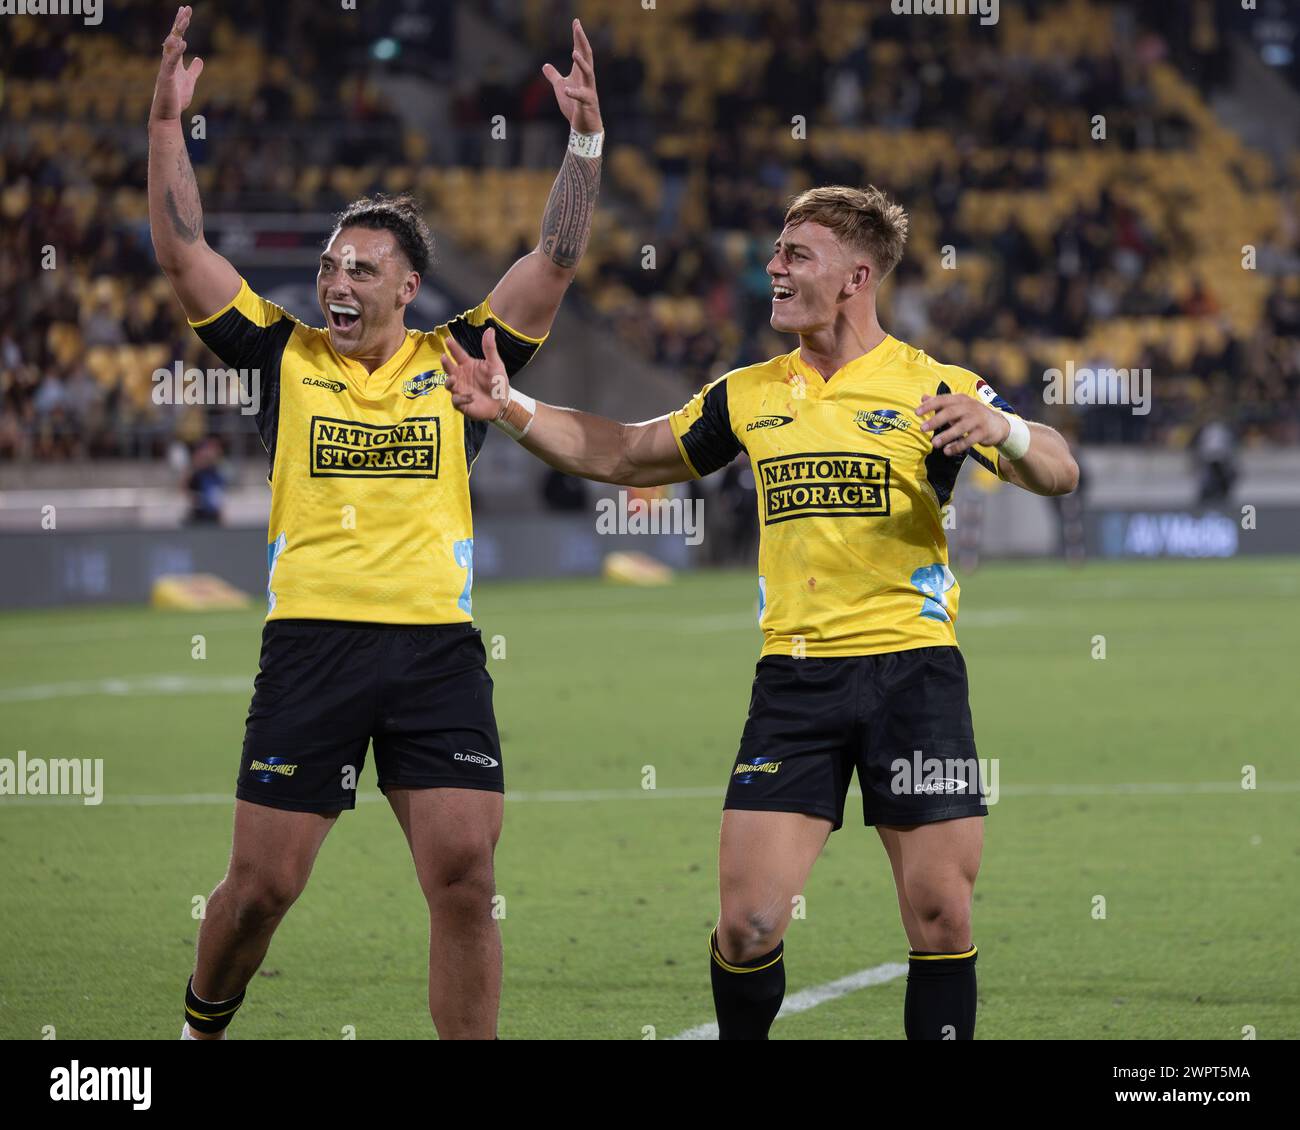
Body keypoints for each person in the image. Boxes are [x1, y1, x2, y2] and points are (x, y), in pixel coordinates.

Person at [443, 184, 1079, 1040]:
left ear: (856, 278)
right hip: (796, 683)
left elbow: (1062, 471)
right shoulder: (748, 393)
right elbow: (633, 454)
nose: (772, 268)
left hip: (916, 677)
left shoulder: (936, 387)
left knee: (940, 917)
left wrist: (1003, 430)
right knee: (747, 929)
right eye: (776, 253)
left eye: (794, 255)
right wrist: (511, 409)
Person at [149, 5, 603, 1039]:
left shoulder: (460, 357)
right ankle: (201, 1025)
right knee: (263, 886)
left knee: (464, 873)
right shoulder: (282, 352)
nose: (335, 281)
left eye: (360, 267)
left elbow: (556, 258)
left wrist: (584, 140)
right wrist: (165, 125)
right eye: (327, 265)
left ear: (408, 283)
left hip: (436, 652)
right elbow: (183, 253)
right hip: (310, 643)